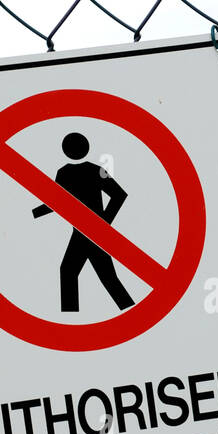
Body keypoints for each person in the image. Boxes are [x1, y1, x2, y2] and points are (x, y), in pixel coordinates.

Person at [33, 132, 136, 312]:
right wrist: (35, 212)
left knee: (76, 272)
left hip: (92, 233)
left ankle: (71, 316)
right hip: (83, 232)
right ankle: (73, 316)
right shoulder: (72, 172)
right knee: (87, 274)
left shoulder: (87, 171)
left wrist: (104, 222)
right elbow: (56, 202)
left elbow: (119, 194)